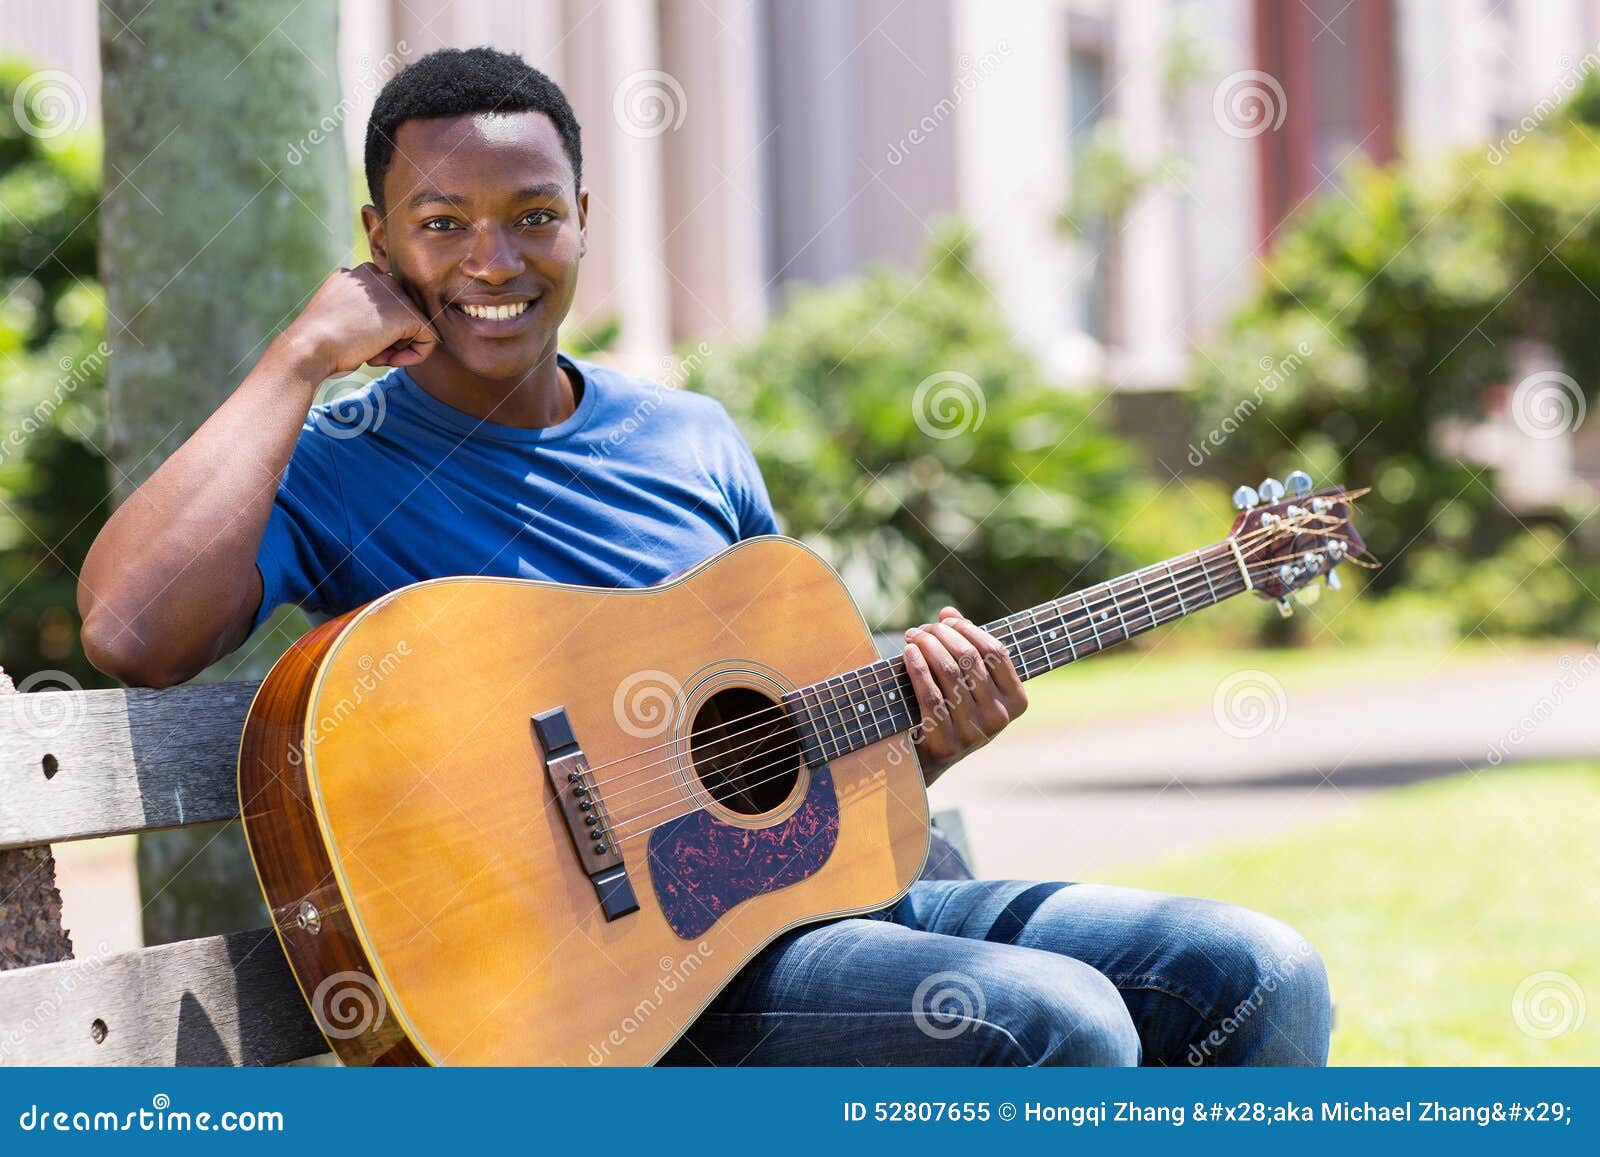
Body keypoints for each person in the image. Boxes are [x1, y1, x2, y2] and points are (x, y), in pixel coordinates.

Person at [78, 46, 1330, 1067]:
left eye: (532, 218)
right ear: (377, 238)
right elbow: (132, 634)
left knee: (1259, 972)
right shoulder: (338, 457)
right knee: (1049, 1026)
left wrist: (922, 734)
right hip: (628, 986)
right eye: (441, 222)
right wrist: (300, 353)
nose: (492, 261)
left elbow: (782, 719)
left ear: (582, 220)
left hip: (819, 916)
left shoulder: (690, 435)